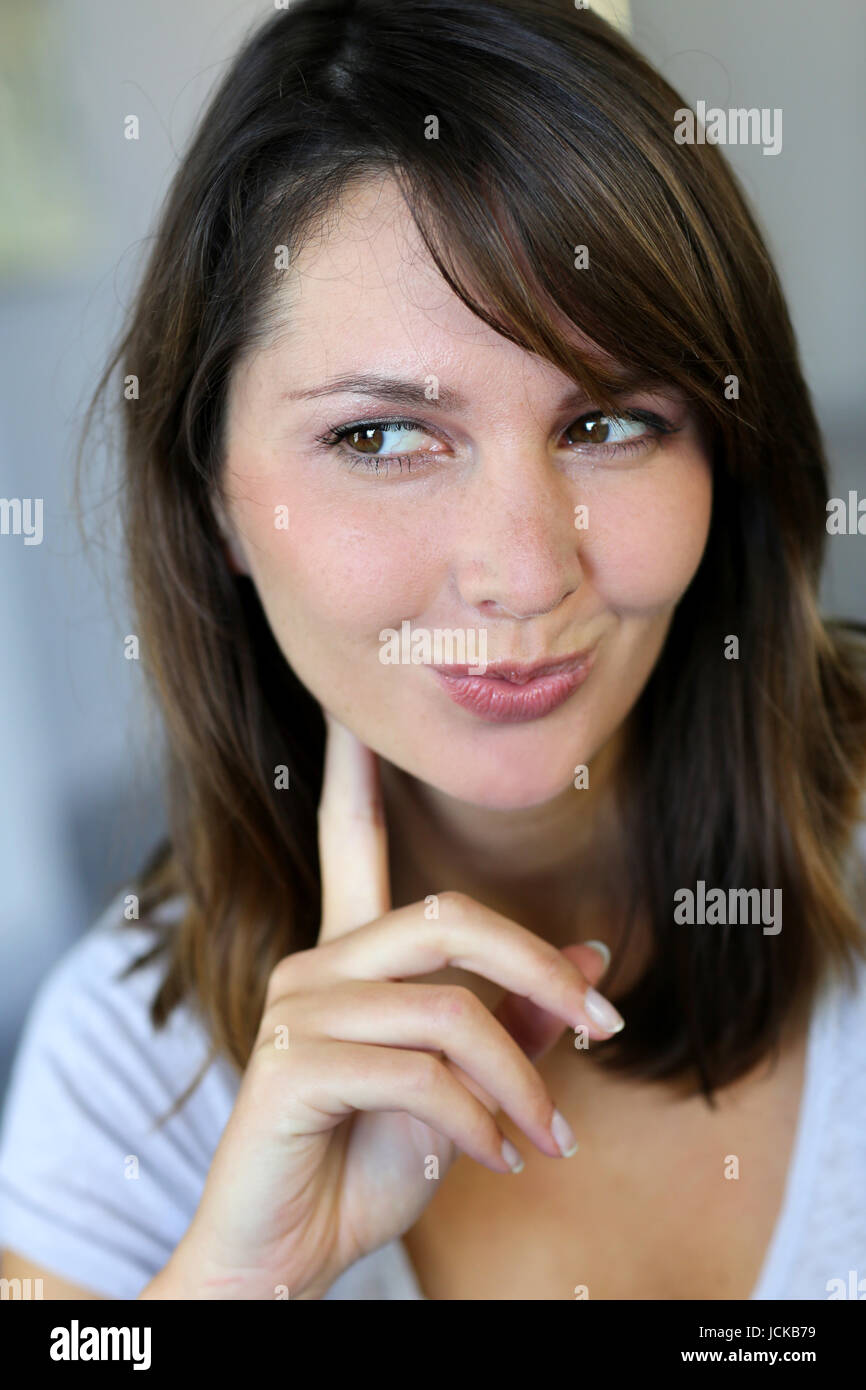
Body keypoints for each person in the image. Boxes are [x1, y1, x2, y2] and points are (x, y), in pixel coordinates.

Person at [2, 0, 865, 1301]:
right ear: (218, 499)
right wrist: (234, 1283)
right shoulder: (131, 1057)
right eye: (381, 438)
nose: (521, 569)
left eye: (611, 423)